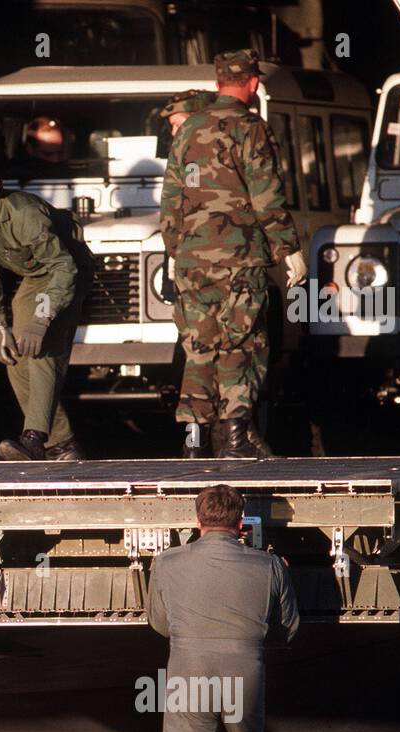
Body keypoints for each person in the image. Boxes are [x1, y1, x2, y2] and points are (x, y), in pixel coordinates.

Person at [159, 51, 306, 458]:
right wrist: (288, 247)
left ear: (219, 80)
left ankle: (193, 441)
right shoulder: (250, 127)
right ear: (253, 83)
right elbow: (266, 195)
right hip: (239, 258)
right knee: (242, 343)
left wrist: (175, 251)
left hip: (192, 261)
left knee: (199, 345)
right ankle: (237, 438)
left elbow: (170, 198)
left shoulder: (188, 129)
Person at [148, 484, 299, 732]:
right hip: (245, 672)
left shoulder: (166, 563)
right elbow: (286, 631)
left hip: (190, 672)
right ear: (240, 521)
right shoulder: (269, 566)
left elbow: (159, 623)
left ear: (197, 520)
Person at [0, 153, 92, 460]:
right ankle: (62, 443)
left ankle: (34, 437)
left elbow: (63, 267)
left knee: (39, 348)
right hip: (34, 277)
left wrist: (43, 319)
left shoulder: (24, 213)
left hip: (65, 272)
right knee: (14, 358)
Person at [3, 116, 72, 182]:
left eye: (59, 152)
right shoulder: (12, 173)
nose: (55, 159)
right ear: (30, 148)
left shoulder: (66, 174)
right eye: (47, 154)